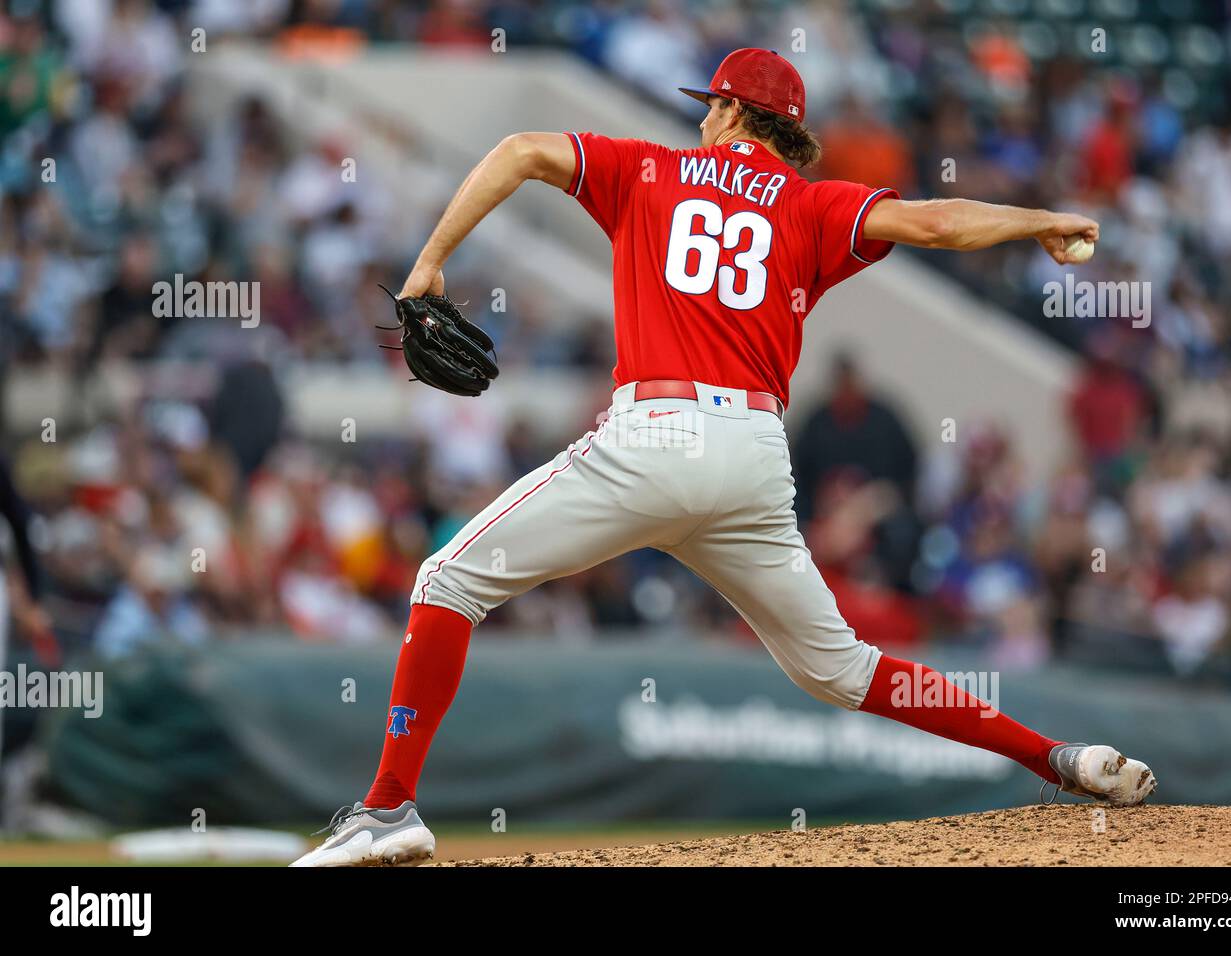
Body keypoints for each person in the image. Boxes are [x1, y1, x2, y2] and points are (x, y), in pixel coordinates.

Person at [293, 48, 1155, 867]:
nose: (704, 119)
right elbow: (935, 221)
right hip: (752, 458)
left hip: (655, 436)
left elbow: (520, 149)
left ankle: (388, 809)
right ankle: (1061, 758)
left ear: (734, 109)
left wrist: (429, 265)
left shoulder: (649, 169)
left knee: (447, 581)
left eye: (710, 106)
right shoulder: (813, 205)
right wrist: (1039, 220)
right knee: (843, 669)